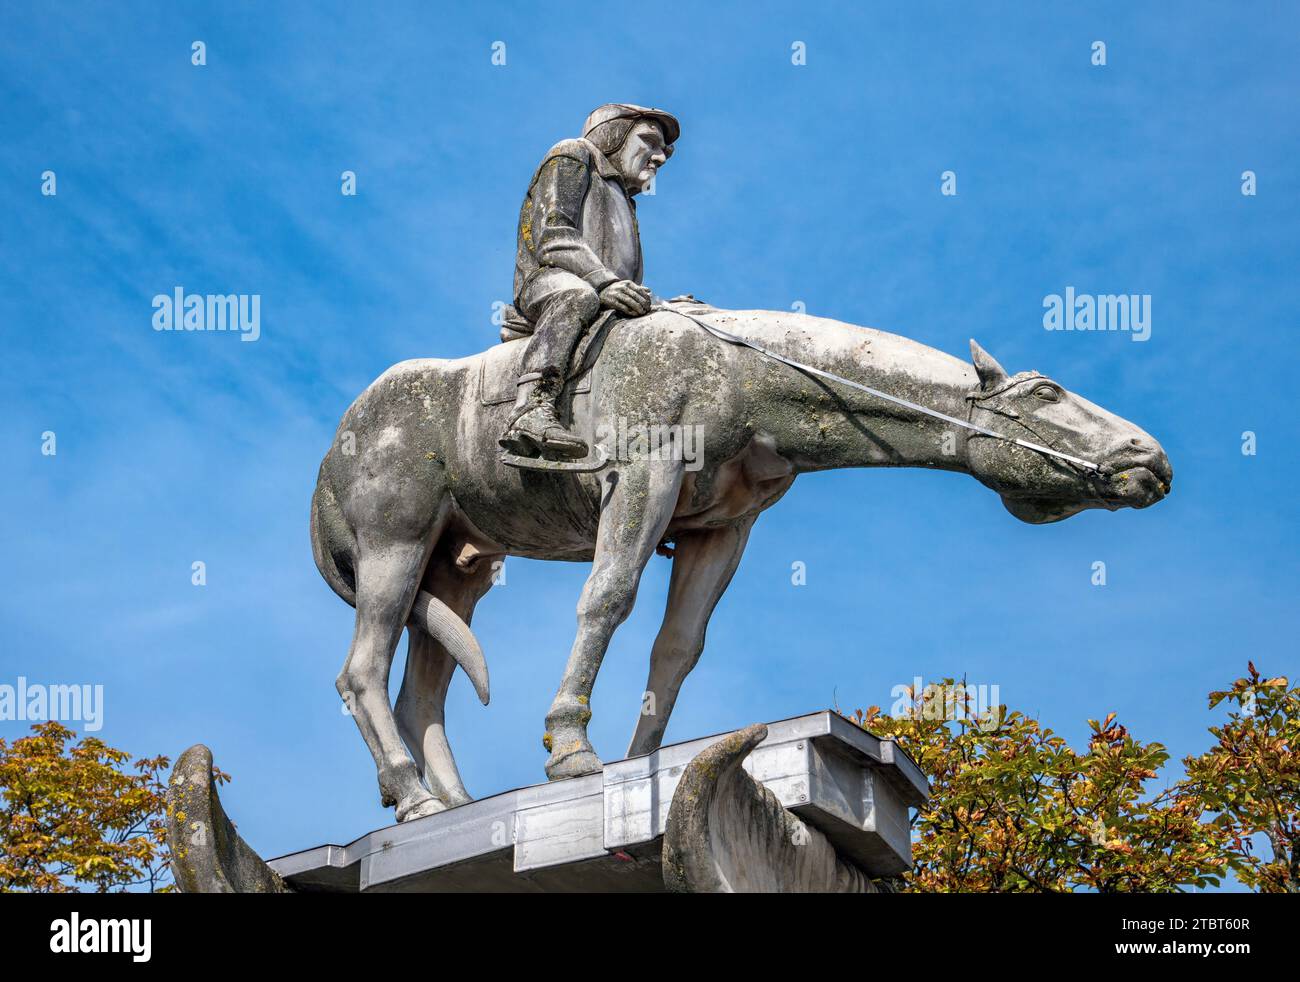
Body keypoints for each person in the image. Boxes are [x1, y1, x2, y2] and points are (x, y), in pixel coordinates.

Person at [499, 103, 680, 459]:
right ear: (614, 134)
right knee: (577, 297)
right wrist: (603, 283)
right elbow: (554, 234)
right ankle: (530, 409)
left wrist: (659, 306)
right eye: (650, 142)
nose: (659, 158)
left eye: (666, 152)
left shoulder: (625, 201)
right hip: (552, 281)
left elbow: (624, 280)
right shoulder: (573, 153)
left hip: (601, 292)